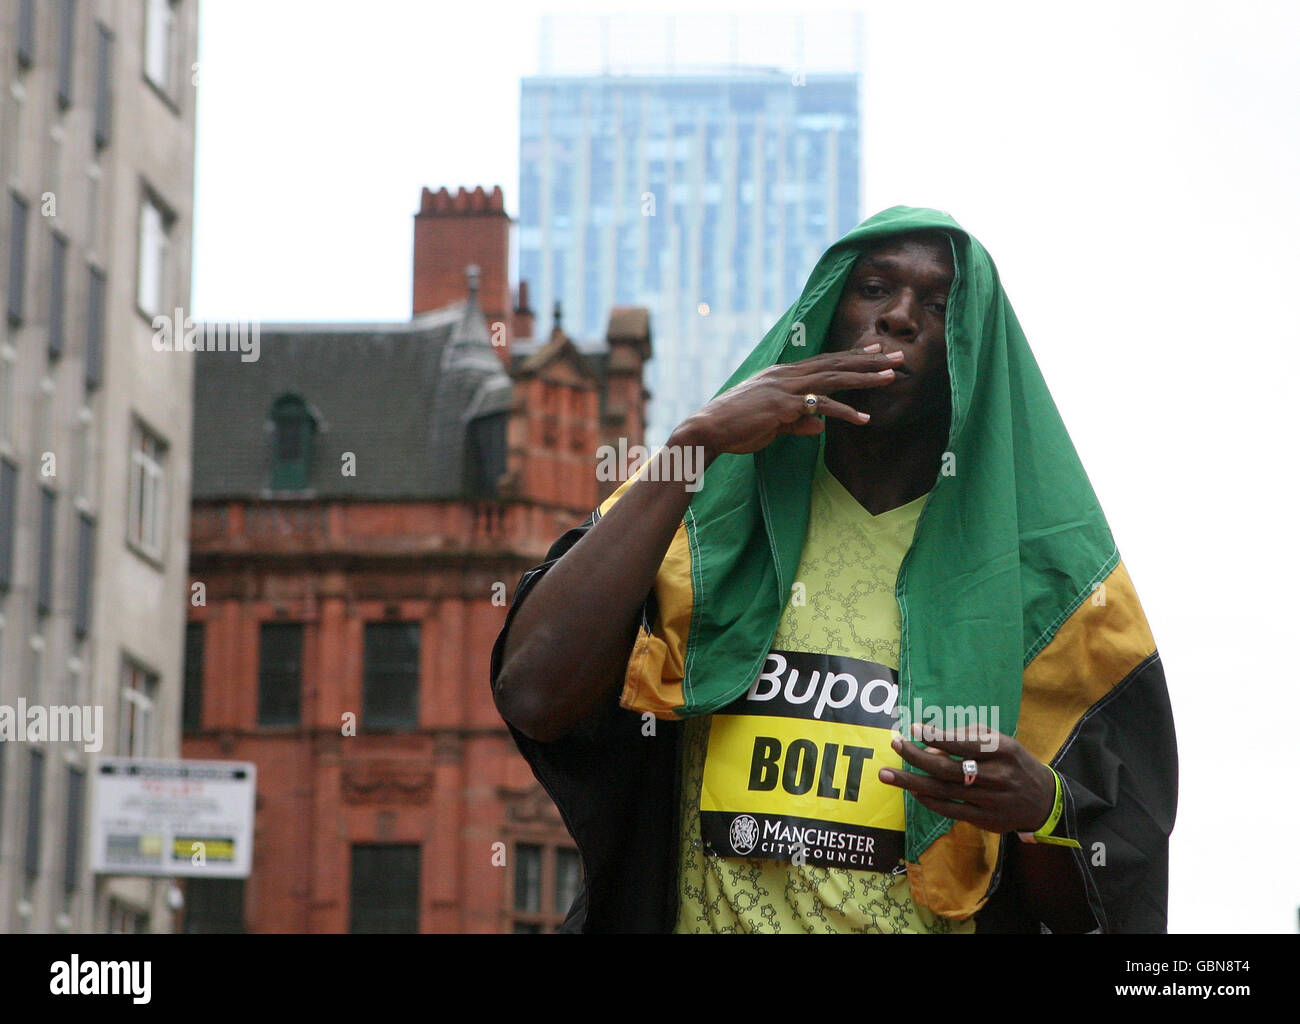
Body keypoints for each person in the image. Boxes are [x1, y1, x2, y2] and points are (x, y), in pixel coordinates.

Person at [490, 206, 1178, 933]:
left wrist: (1042, 812)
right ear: (823, 314)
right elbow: (534, 693)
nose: (901, 318)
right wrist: (697, 442)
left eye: (940, 306)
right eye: (875, 289)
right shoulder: (702, 516)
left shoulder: (1051, 588)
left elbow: (1109, 898)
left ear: (975, 350)